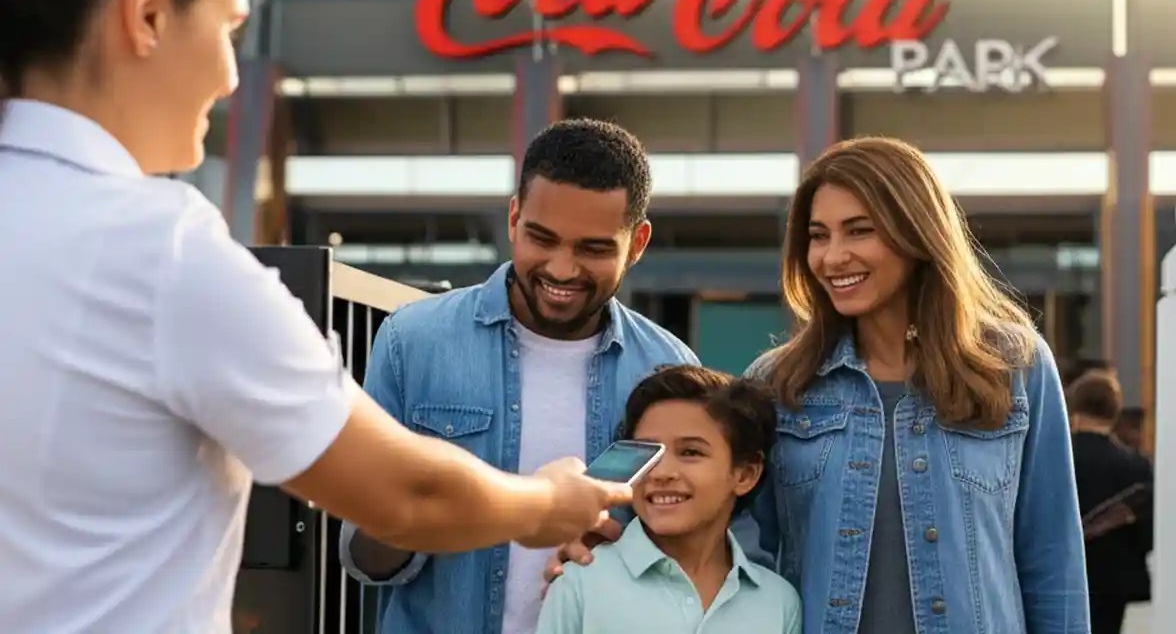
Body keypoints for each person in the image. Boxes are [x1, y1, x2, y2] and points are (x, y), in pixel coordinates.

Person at [0, 0, 630, 632]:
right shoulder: (160, 252)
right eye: (229, 30)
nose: (230, 75)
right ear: (147, 12)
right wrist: (548, 502)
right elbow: (403, 496)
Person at [547, 136, 1090, 633]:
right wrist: (598, 537)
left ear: (917, 232)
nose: (833, 257)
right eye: (817, 236)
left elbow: (1052, 558)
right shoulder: (779, 384)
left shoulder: (1013, 365)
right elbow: (728, 545)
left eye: (860, 230)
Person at [337, 118, 700, 634]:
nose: (561, 269)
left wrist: (627, 554)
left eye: (593, 249)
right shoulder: (412, 341)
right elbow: (362, 560)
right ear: (513, 218)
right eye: (541, 238)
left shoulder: (671, 369)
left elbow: (694, 559)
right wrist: (421, 507)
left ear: (637, 243)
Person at [536, 365, 801, 634]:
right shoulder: (580, 582)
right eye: (647, 453)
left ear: (745, 474)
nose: (661, 473)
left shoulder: (778, 602)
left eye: (690, 452)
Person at [1067, 370, 1153, 634]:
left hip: (1063, 576)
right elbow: (1146, 536)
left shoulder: (1055, 459)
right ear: (1114, 413)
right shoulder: (1135, 466)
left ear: (1074, 410)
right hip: (1113, 582)